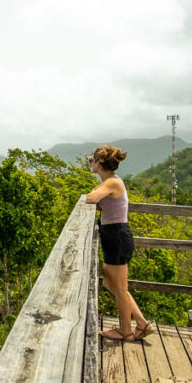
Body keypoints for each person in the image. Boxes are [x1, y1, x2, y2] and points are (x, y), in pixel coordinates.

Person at [85, 145, 154, 341]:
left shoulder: (112, 183)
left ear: (100, 163)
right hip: (113, 236)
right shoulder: (110, 182)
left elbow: (91, 198)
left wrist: (96, 194)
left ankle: (126, 330)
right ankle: (142, 323)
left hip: (117, 236)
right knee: (111, 284)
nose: (90, 163)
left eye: (92, 160)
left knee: (120, 289)